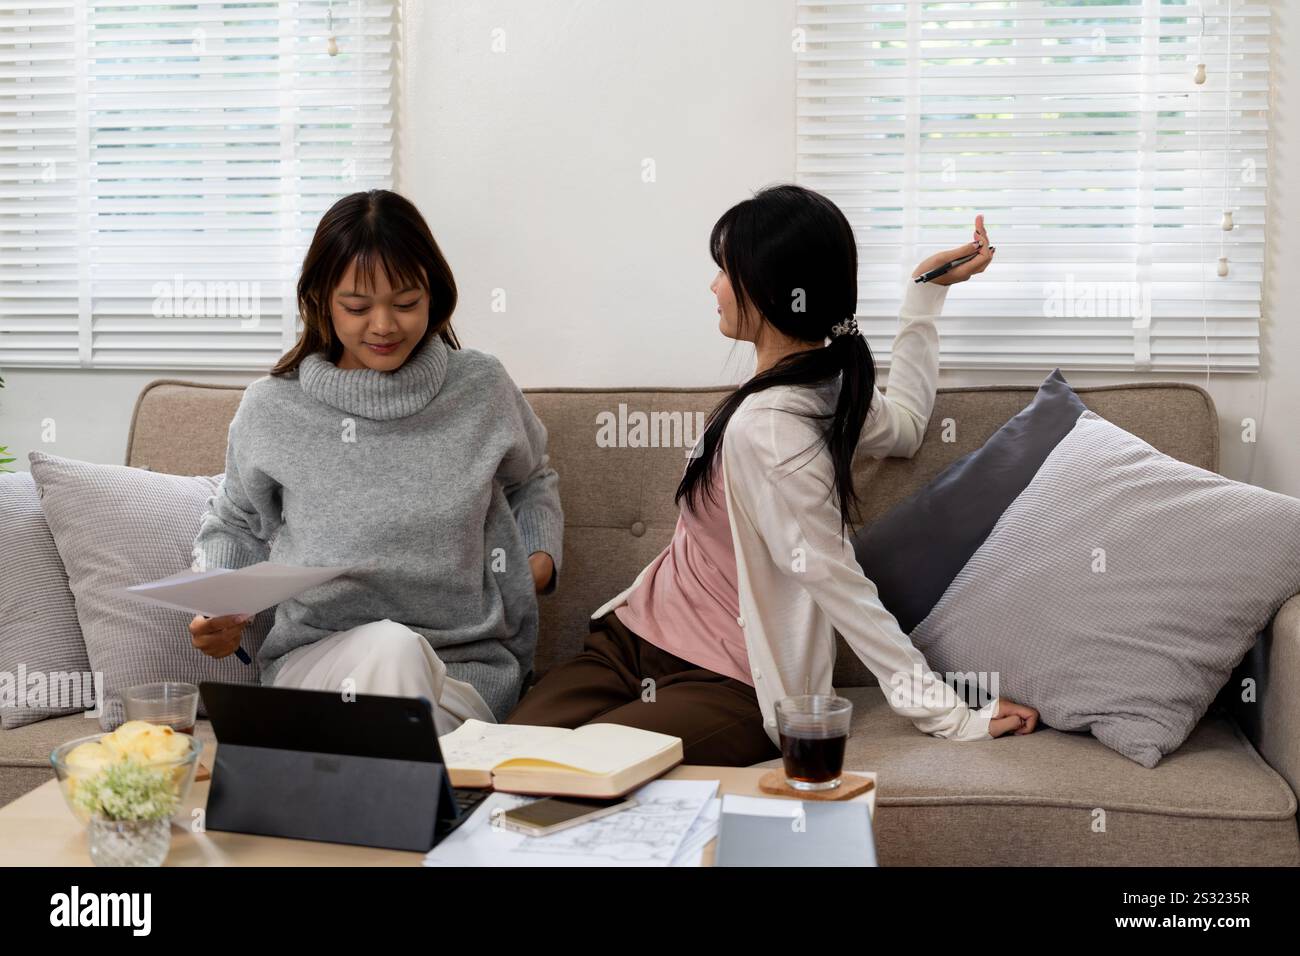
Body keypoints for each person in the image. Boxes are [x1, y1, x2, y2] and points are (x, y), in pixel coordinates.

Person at [507, 184, 1038, 764]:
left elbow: (839, 581)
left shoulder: (773, 428)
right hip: (631, 643)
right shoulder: (821, 382)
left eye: (724, 271)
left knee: (571, 773)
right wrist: (924, 296)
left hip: (728, 680)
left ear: (769, 292)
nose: (713, 287)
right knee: (500, 760)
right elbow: (908, 425)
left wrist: (950, 714)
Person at [188, 189, 563, 734]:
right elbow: (235, 523)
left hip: (463, 674)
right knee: (390, 650)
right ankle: (402, 802)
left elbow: (531, 479)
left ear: (434, 294)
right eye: (358, 307)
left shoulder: (480, 388)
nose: (384, 325)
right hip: (317, 665)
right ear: (320, 300)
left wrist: (537, 560)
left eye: (406, 303)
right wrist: (215, 605)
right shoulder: (273, 408)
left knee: (399, 658)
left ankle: (349, 800)